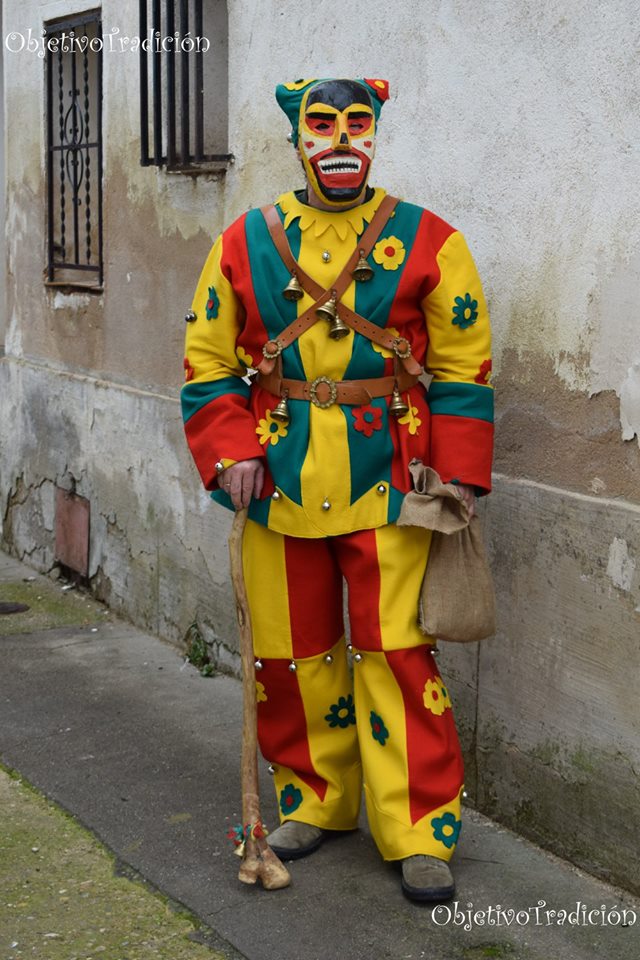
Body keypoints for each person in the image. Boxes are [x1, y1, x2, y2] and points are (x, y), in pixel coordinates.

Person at [181, 77, 493, 902]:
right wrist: (230, 450)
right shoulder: (243, 242)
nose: (342, 138)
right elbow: (208, 362)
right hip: (278, 487)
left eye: (359, 123)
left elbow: (463, 368)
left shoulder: (430, 241)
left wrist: (458, 474)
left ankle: (420, 826)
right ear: (298, 138)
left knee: (396, 654)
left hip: (392, 481)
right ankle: (316, 799)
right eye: (323, 124)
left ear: (377, 133)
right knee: (288, 660)